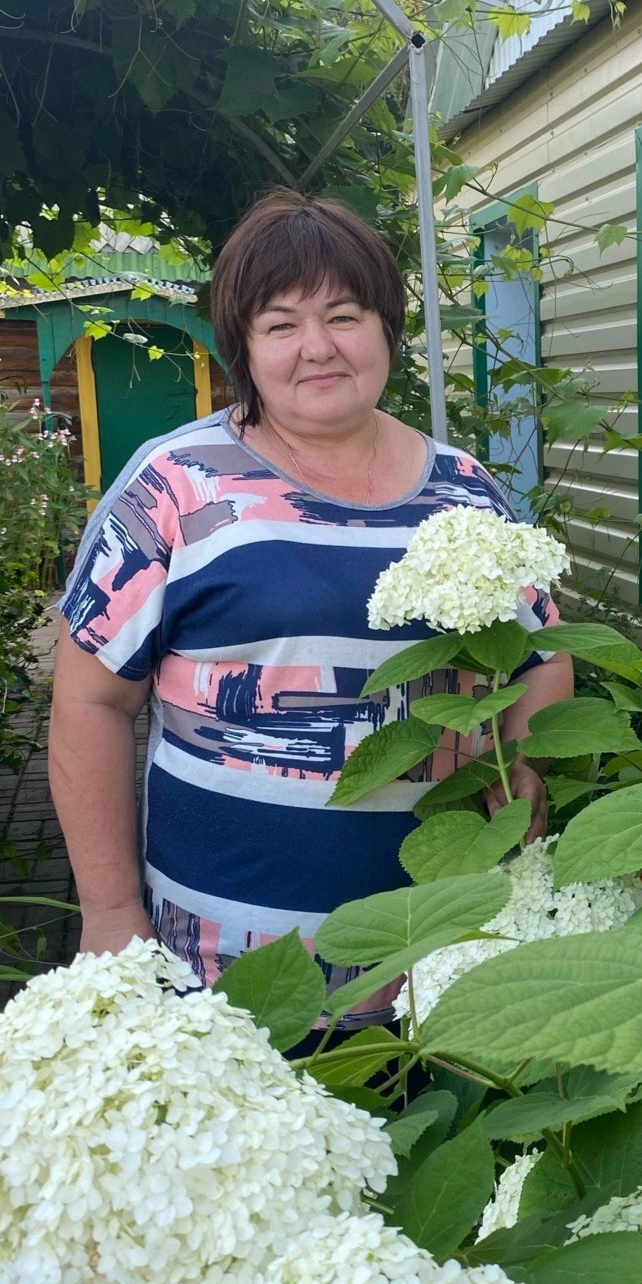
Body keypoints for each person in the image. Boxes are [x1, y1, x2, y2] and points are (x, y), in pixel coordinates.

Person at [49, 191, 573, 1008]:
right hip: (225, 968)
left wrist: (526, 763)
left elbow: (543, 652)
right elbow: (91, 703)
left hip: (439, 953)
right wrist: (110, 911)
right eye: (281, 324)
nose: (317, 348)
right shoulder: (176, 485)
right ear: (244, 348)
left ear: (386, 329)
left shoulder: (463, 489)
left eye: (344, 315)